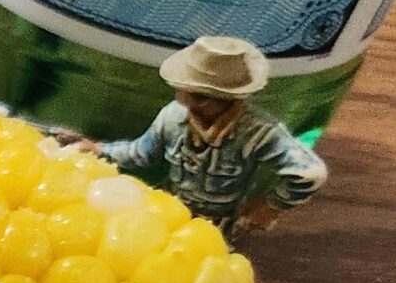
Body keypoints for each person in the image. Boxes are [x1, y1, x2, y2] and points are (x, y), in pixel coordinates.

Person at [86, 36, 326, 234]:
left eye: (189, 91)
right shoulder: (172, 116)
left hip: (215, 224)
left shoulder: (258, 131)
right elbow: (141, 153)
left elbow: (310, 173)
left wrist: (270, 206)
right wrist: (99, 150)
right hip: (166, 208)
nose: (180, 96)